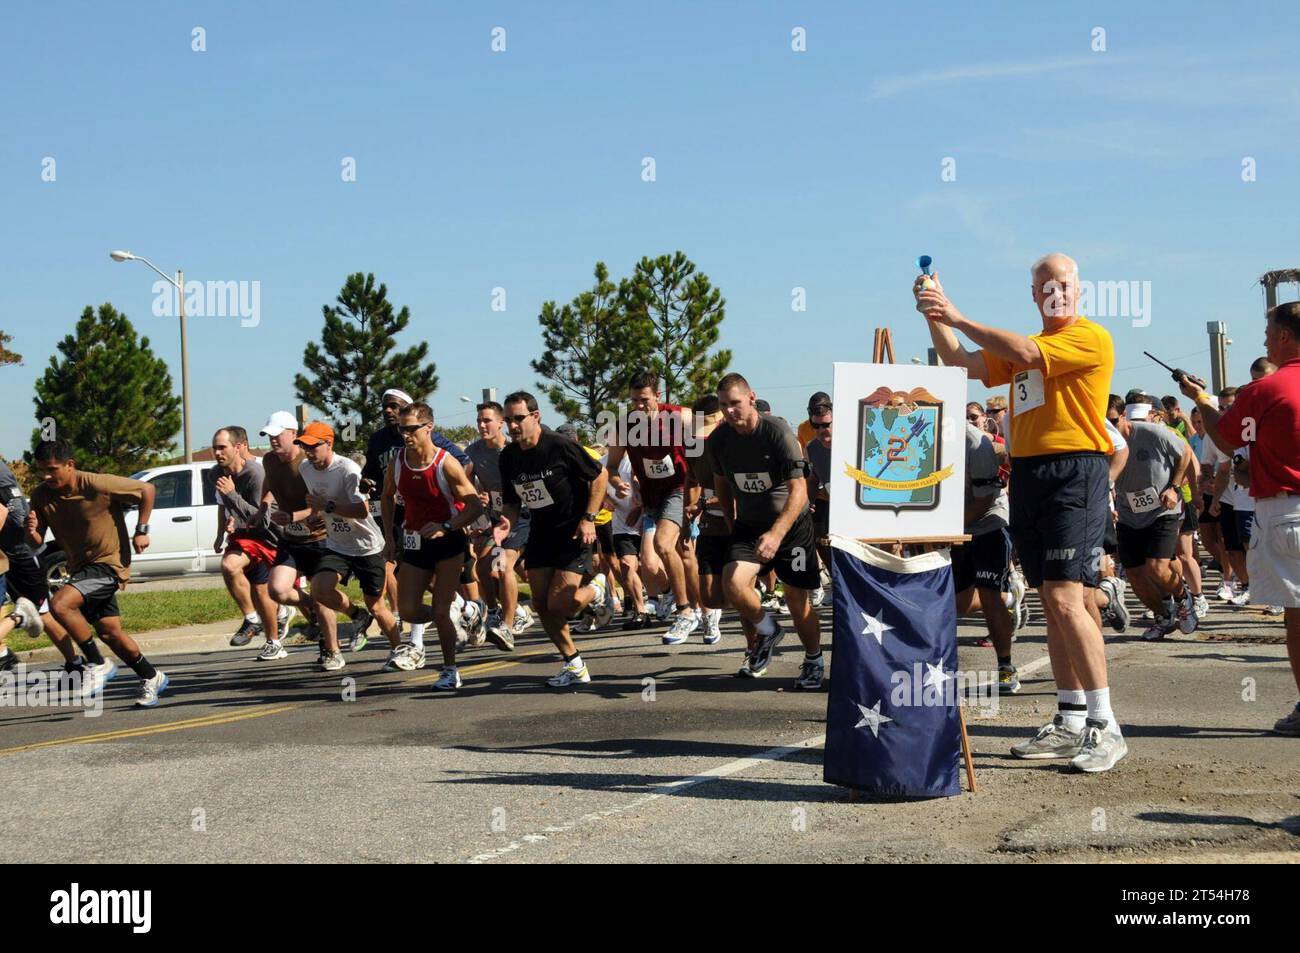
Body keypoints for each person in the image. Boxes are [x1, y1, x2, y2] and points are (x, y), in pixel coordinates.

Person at [916, 252, 1125, 773]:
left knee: (1065, 595)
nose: (1055, 291)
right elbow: (960, 363)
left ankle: (1105, 724)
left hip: (1075, 470)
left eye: (1063, 283)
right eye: (1044, 285)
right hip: (1031, 473)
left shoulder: (1088, 338)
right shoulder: (1019, 350)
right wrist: (933, 314)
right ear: (1033, 295)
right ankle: (1071, 718)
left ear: (1079, 290)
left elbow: (1027, 349)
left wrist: (957, 314)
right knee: (1052, 600)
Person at [1180, 301, 1300, 735]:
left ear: (1285, 336)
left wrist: (1200, 400)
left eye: (1269, 331)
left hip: (1288, 510)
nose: (1265, 339)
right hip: (1282, 503)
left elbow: (1228, 437)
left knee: (1297, 614)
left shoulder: (1266, 389)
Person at [27, 440, 169, 706]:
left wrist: (142, 530)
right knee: (109, 632)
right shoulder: (41, 495)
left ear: (70, 465)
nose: (47, 476)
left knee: (60, 604)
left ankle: (96, 663)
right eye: (41, 471)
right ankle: (151, 676)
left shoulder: (96, 484)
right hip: (80, 569)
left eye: (52, 469)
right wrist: (31, 529)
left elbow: (147, 489)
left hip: (109, 564)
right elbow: (36, 543)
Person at [708, 373, 823, 688]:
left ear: (751, 398)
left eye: (735, 403)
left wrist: (776, 534)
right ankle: (768, 631)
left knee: (797, 599)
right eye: (723, 405)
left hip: (792, 527)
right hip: (750, 525)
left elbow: (799, 490)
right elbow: (722, 483)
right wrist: (734, 525)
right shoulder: (719, 439)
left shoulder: (777, 432)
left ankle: (813, 660)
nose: (730, 411)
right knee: (734, 584)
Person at [498, 391, 609, 687]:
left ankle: (597, 590)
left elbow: (599, 476)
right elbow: (511, 502)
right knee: (541, 603)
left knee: (561, 603)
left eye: (518, 418)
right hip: (540, 533)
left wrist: (589, 518)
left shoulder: (559, 446)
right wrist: (504, 524)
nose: (512, 426)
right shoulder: (508, 457)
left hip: (574, 531)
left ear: (536, 417)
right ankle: (574, 664)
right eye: (507, 420)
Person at [382, 402, 486, 688]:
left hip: (449, 541)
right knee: (408, 611)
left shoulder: (446, 463)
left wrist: (447, 526)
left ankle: (450, 669)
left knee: (440, 610)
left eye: (411, 428)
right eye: (402, 429)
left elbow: (475, 504)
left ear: (429, 428)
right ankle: (458, 617)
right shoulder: (398, 462)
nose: (405, 434)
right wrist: (390, 537)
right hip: (415, 541)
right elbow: (386, 496)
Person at [295, 421, 402, 671]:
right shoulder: (305, 469)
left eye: (313, 447)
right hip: (337, 545)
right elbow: (317, 504)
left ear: (329, 443)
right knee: (319, 590)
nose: (309, 453)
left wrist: (328, 506)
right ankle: (357, 615)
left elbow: (362, 509)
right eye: (305, 447)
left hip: (367, 546)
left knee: (377, 606)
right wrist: (315, 517)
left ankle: (399, 648)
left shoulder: (347, 469)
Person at [605, 373, 698, 644]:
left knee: (664, 544)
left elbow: (707, 442)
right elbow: (611, 467)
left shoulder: (682, 417)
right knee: (657, 561)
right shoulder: (623, 427)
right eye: (634, 401)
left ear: (658, 396)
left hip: (678, 488)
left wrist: (700, 491)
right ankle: (683, 596)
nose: (639, 406)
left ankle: (685, 612)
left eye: (644, 400)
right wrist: (616, 482)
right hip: (650, 497)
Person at [1112, 395, 1198, 639]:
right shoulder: (1102, 440)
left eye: (1114, 421)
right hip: (1129, 513)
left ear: (1124, 416)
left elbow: (1186, 453)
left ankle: (1184, 600)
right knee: (1135, 574)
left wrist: (1175, 487)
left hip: (1162, 509)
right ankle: (1163, 615)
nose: (1111, 428)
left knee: (1157, 567)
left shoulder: (1151, 433)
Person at [211, 427, 292, 651]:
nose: (217, 453)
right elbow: (223, 506)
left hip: (268, 538)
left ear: (238, 447)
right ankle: (258, 625)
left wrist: (232, 495)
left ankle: (282, 627)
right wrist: (222, 530)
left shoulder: (256, 474)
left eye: (222, 447)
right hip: (245, 536)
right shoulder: (215, 474)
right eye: (214, 448)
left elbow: (260, 518)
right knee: (234, 571)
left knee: (267, 592)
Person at [954, 420, 1019, 692]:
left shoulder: (974, 442)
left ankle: (1006, 666)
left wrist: (950, 527)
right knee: (956, 605)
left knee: (990, 596)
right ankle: (1012, 594)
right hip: (954, 525)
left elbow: (984, 501)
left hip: (989, 522)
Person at [0, 458, 79, 672]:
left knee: (42, 613)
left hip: (22, 556)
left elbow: (9, 513)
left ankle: (76, 662)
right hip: (6, 555)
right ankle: (4, 656)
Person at [465, 400, 531, 647]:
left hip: (522, 514)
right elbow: (466, 486)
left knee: (504, 567)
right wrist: (478, 503)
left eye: (487, 420)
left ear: (501, 423)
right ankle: (495, 613)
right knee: (483, 569)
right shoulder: (473, 452)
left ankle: (508, 624)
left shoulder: (515, 449)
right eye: (479, 421)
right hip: (495, 517)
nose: (482, 425)